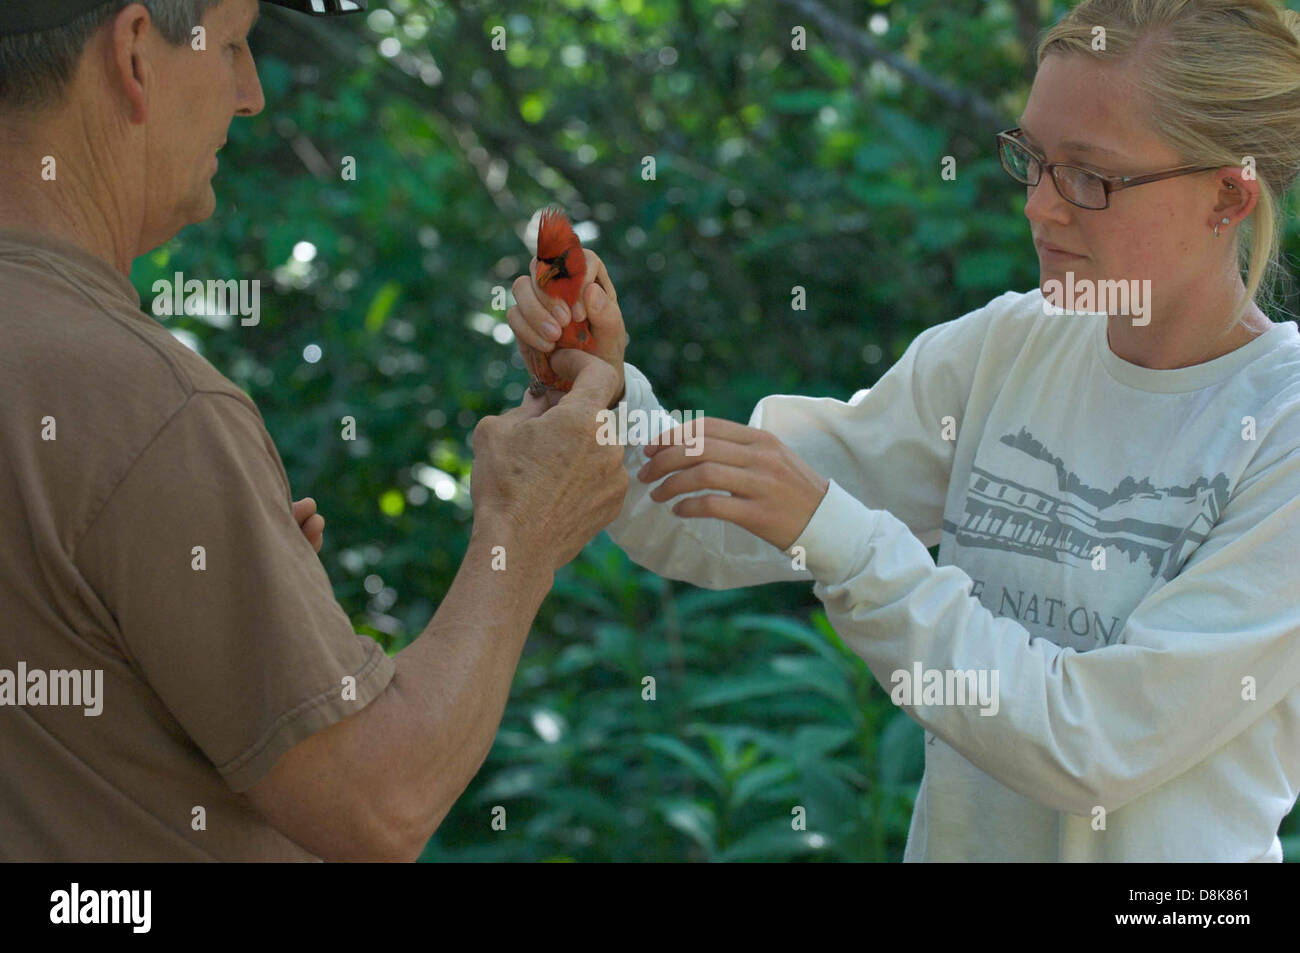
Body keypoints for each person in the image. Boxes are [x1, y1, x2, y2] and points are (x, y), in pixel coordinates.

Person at [510, 0, 1300, 861]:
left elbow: (1092, 744)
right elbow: (707, 520)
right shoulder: (1006, 347)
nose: (1040, 208)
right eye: (1032, 160)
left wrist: (840, 539)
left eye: (1090, 177)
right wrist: (606, 391)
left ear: (1228, 193)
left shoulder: (1280, 429)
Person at [0, 0, 628, 862]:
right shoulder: (149, 404)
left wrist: (240, 625)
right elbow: (379, 802)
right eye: (230, 45)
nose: (251, 92)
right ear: (137, 55)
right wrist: (522, 533)